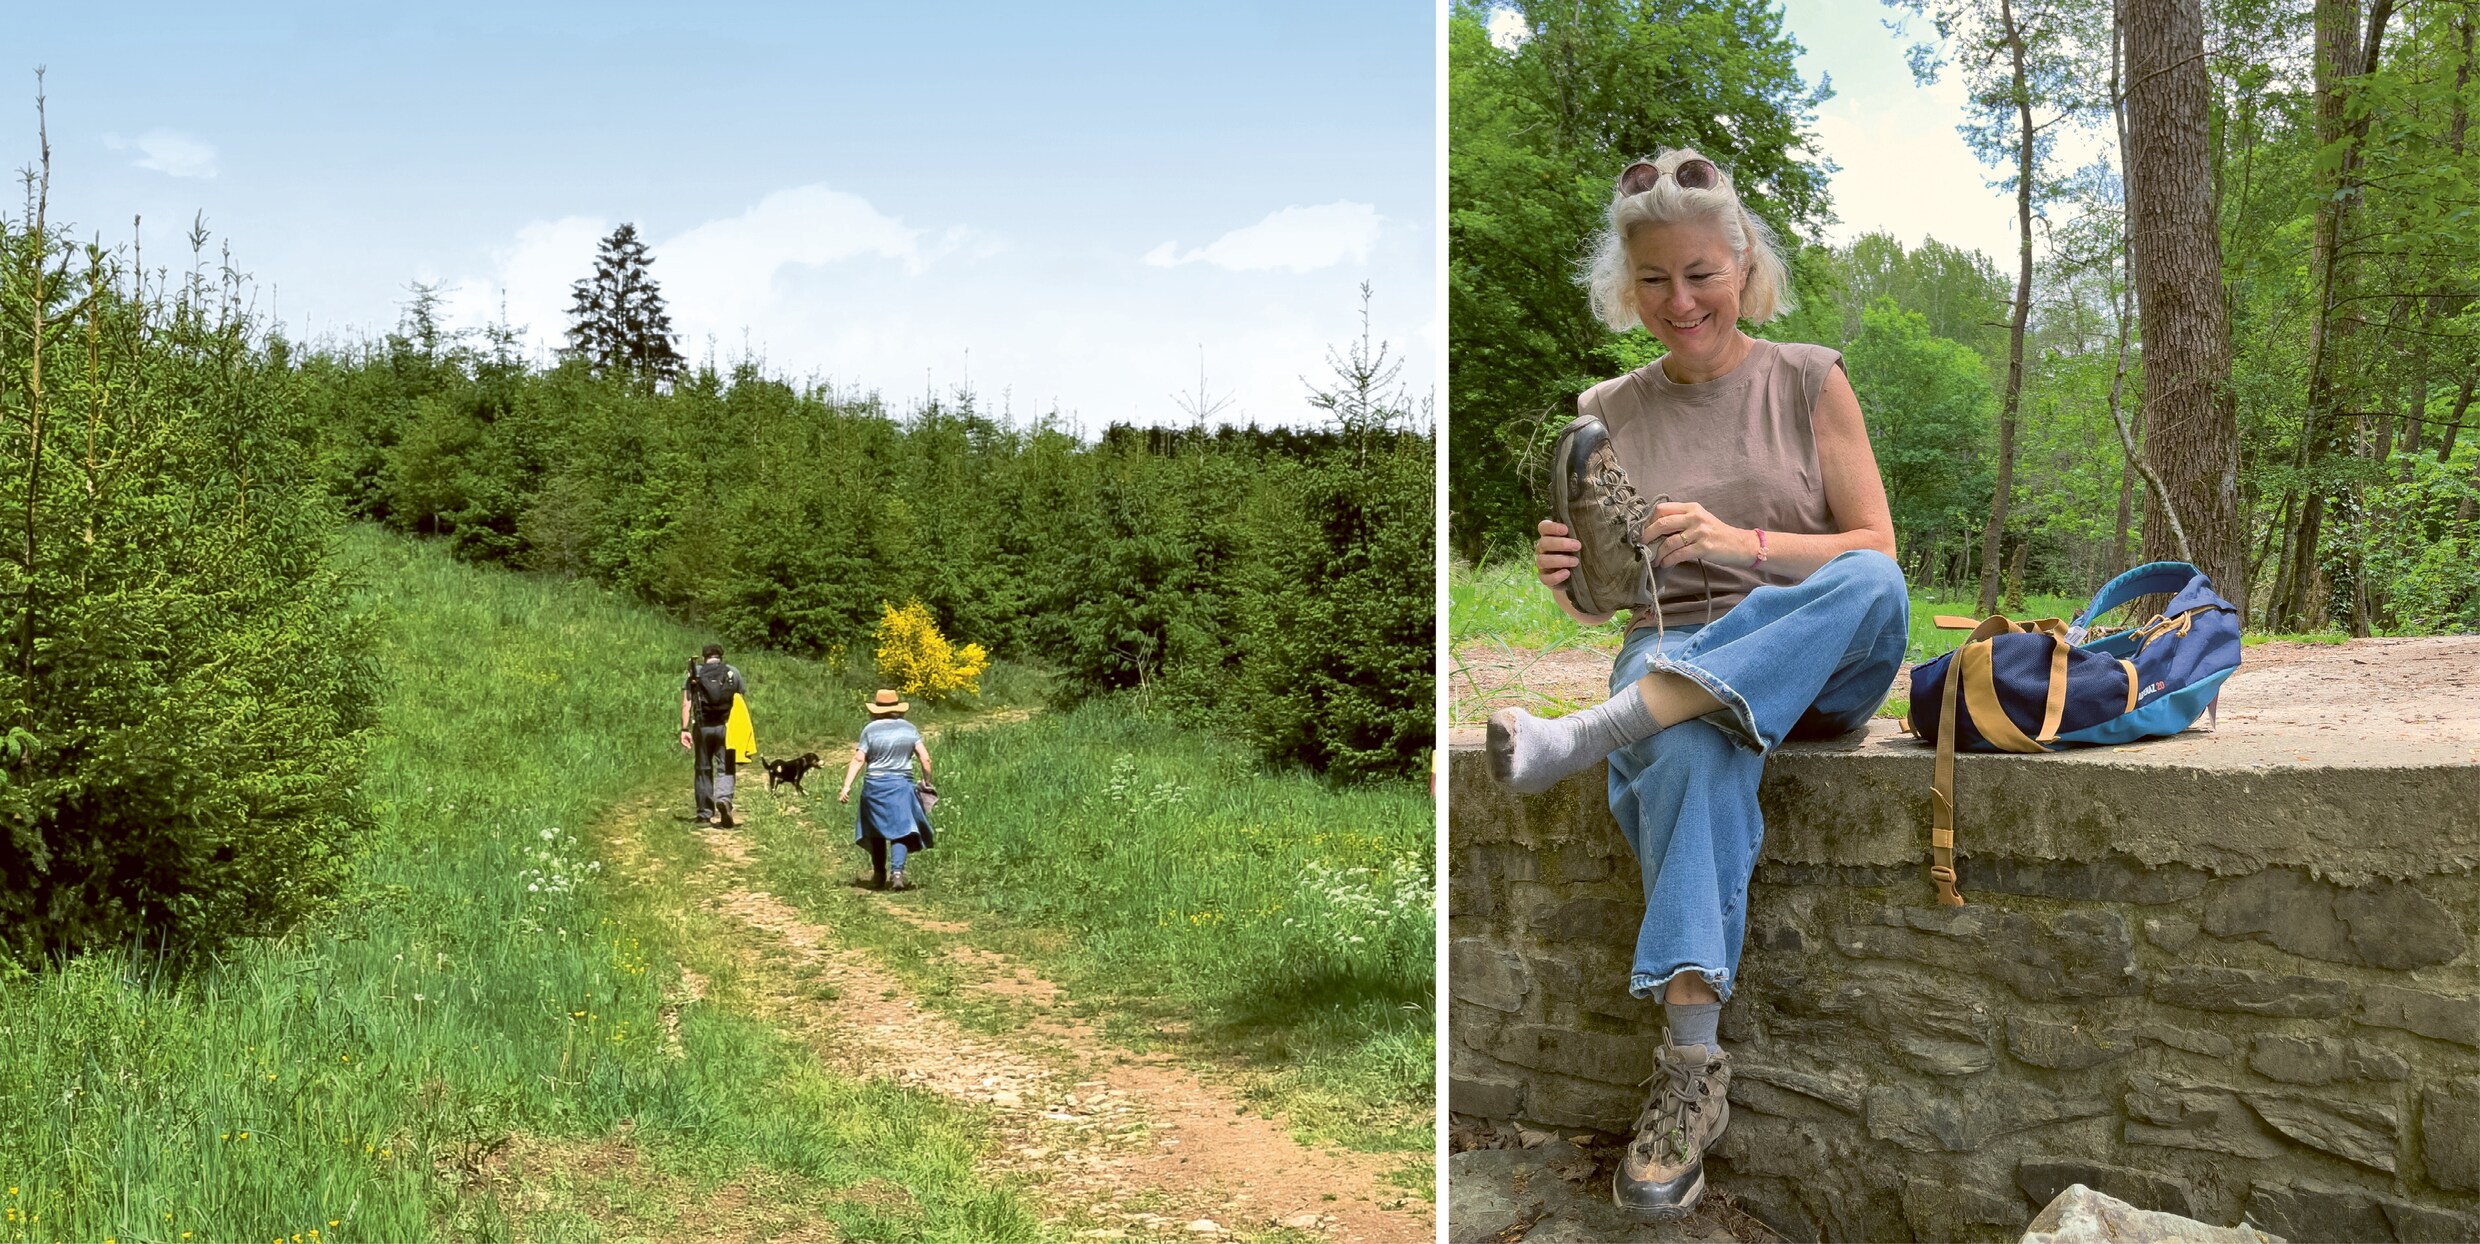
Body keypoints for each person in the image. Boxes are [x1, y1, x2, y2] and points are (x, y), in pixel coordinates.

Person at [1484, 149, 1910, 1223]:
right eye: (1655, 281)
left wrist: (1740, 538)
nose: (1680, 302)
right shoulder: (1604, 409)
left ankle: (1599, 728)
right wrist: (1571, 584)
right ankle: (1687, 1072)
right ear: (1626, 289)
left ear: (1743, 266)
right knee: (1682, 744)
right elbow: (1610, 593)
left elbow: (1875, 547)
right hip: (1669, 642)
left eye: (1701, 274)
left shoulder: (1807, 376)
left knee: (1867, 578)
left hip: (1812, 652)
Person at [838, 689, 935, 891]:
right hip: (902, 787)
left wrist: (847, 785)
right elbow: (925, 758)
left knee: (876, 831)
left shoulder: (870, 730)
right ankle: (897, 873)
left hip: (875, 787)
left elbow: (858, 759)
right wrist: (926, 782)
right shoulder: (910, 729)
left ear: (876, 709)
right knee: (902, 830)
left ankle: (879, 875)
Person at [679, 644, 747, 828]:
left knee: (703, 768)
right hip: (726, 727)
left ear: (704, 657)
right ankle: (724, 800)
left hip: (702, 727)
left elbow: (687, 703)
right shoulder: (733, 673)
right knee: (726, 767)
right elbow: (740, 702)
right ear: (721, 656)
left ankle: (704, 815)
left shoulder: (695, 674)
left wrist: (684, 729)